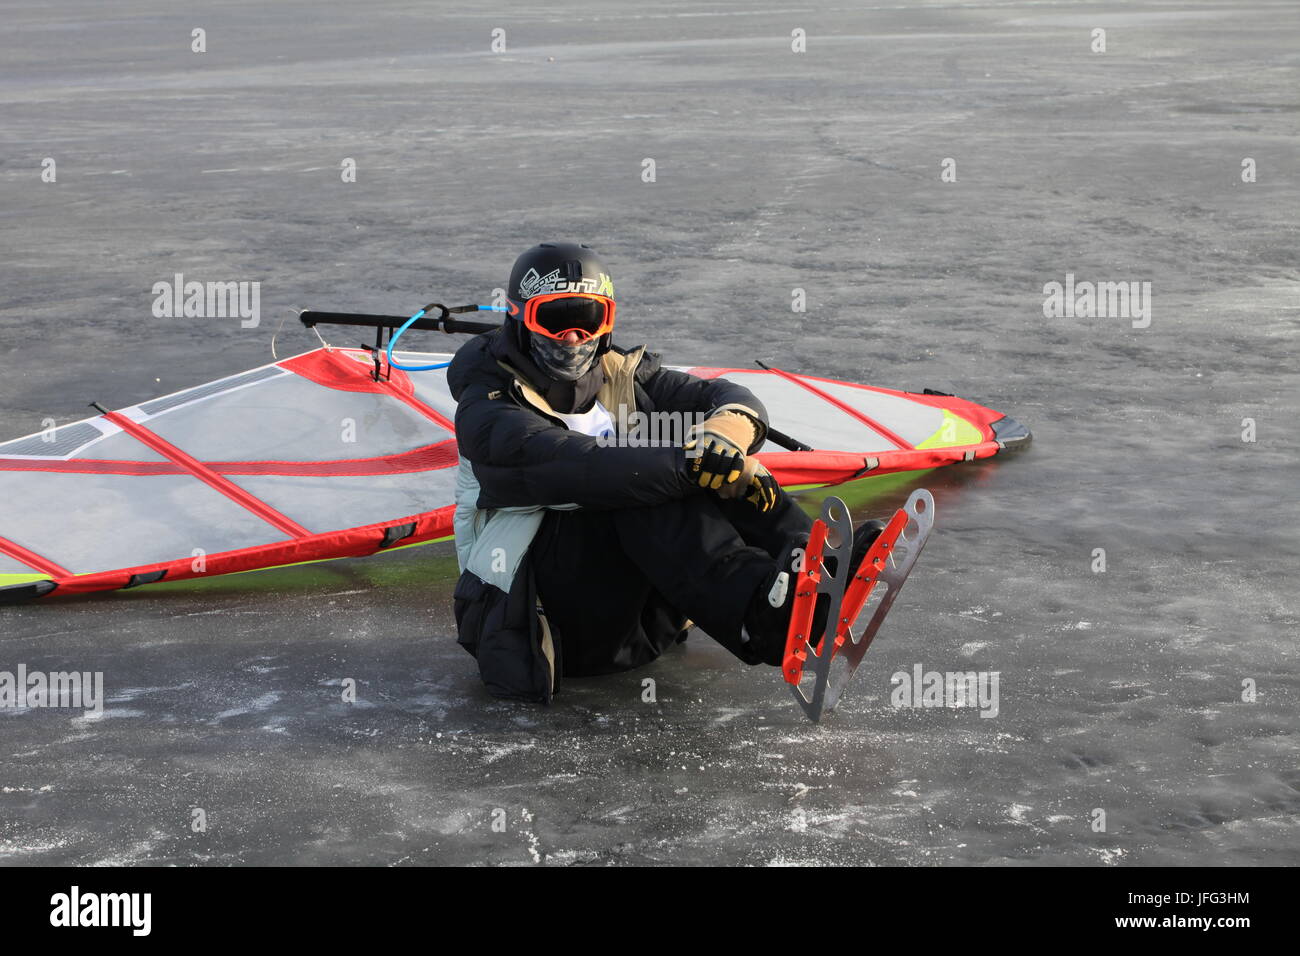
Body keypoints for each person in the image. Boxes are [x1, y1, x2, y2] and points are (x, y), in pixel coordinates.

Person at [447, 242, 882, 702]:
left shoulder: (621, 375)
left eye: (588, 319)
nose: (573, 338)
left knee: (723, 470)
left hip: (636, 624)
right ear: (518, 317)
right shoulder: (486, 405)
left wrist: (724, 440)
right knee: (644, 480)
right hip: (535, 624)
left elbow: (727, 396)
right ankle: (762, 623)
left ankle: (813, 572)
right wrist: (693, 465)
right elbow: (573, 465)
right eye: (554, 319)